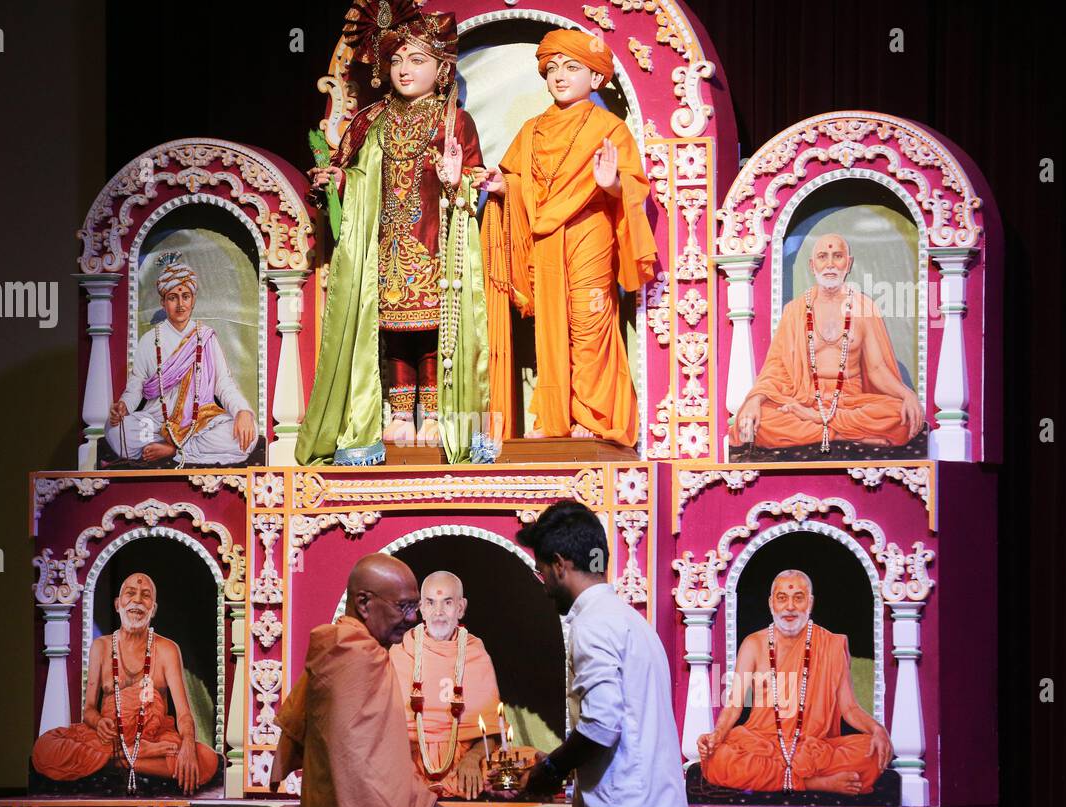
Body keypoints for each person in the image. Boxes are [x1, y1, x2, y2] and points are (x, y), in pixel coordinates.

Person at [296, 0, 490, 465]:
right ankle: (401, 412)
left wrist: (457, 180)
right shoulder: (371, 120)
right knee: (392, 330)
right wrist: (338, 180)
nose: (404, 69)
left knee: (436, 326)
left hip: (435, 242)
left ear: (441, 69)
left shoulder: (454, 121)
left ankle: (437, 411)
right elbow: (353, 174)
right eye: (398, 59)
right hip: (383, 244)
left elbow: (475, 178)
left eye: (417, 60)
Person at [481, 28, 654, 446]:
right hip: (545, 240)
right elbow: (519, 182)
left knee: (588, 325)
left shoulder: (609, 128)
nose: (560, 76)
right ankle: (554, 416)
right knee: (551, 329)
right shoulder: (531, 129)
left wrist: (612, 184)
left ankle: (594, 416)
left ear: (595, 77)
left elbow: (634, 189)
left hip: (589, 234)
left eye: (572, 67)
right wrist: (503, 187)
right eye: (552, 68)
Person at [515, 501, 693, 807]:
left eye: (542, 572)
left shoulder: (592, 624)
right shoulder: (631, 621)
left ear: (560, 565)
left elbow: (601, 725)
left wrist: (551, 770)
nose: (545, 587)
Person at [271, 554, 449, 807]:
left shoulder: (348, 649)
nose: (413, 618)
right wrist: (421, 802)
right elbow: (356, 760)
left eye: (415, 607)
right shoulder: (353, 655)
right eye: (404, 607)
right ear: (364, 603)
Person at [698, 570, 894, 794]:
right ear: (771, 603)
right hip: (762, 744)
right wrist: (716, 736)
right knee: (719, 759)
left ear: (810, 603)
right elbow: (734, 705)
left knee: (872, 751)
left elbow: (849, 708)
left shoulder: (831, 645)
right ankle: (815, 783)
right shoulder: (754, 644)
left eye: (798, 598)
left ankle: (780, 777)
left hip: (813, 748)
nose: (790, 606)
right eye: (782, 598)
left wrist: (878, 729)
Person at [730, 233, 924, 452]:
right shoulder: (794, 310)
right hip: (804, 400)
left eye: (837, 256)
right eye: (823, 256)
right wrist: (755, 399)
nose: (830, 264)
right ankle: (840, 434)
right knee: (763, 421)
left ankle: (821, 424)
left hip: (850, 402)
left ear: (848, 263)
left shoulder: (864, 308)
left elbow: (877, 368)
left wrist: (907, 394)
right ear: (812, 265)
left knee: (899, 413)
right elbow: (776, 366)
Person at [31, 573, 219, 794]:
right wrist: (99, 722)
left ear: (153, 609)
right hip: (110, 740)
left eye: (145, 595)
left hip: (155, 738)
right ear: (117, 604)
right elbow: (89, 710)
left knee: (207, 760)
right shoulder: (101, 647)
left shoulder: (167, 649)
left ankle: (117, 760)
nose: (137, 600)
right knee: (44, 748)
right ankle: (129, 755)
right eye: (130, 593)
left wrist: (187, 746)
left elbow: (184, 714)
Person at [105, 252, 257, 465]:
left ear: (193, 300)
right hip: (157, 424)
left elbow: (224, 384)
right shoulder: (149, 341)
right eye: (172, 298)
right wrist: (124, 406)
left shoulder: (206, 338)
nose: (180, 304)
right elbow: (136, 386)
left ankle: (173, 450)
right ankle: (181, 447)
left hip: (199, 423)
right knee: (114, 430)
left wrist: (242, 411)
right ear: (162, 302)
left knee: (248, 434)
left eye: (185, 296)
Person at [389, 571, 502, 798]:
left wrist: (473, 758)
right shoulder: (400, 651)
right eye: (431, 603)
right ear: (421, 608)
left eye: (447, 603)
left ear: (461, 608)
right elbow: (384, 730)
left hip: (463, 761)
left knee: (517, 768)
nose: (438, 612)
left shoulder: (475, 653)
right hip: (409, 761)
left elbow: (492, 731)